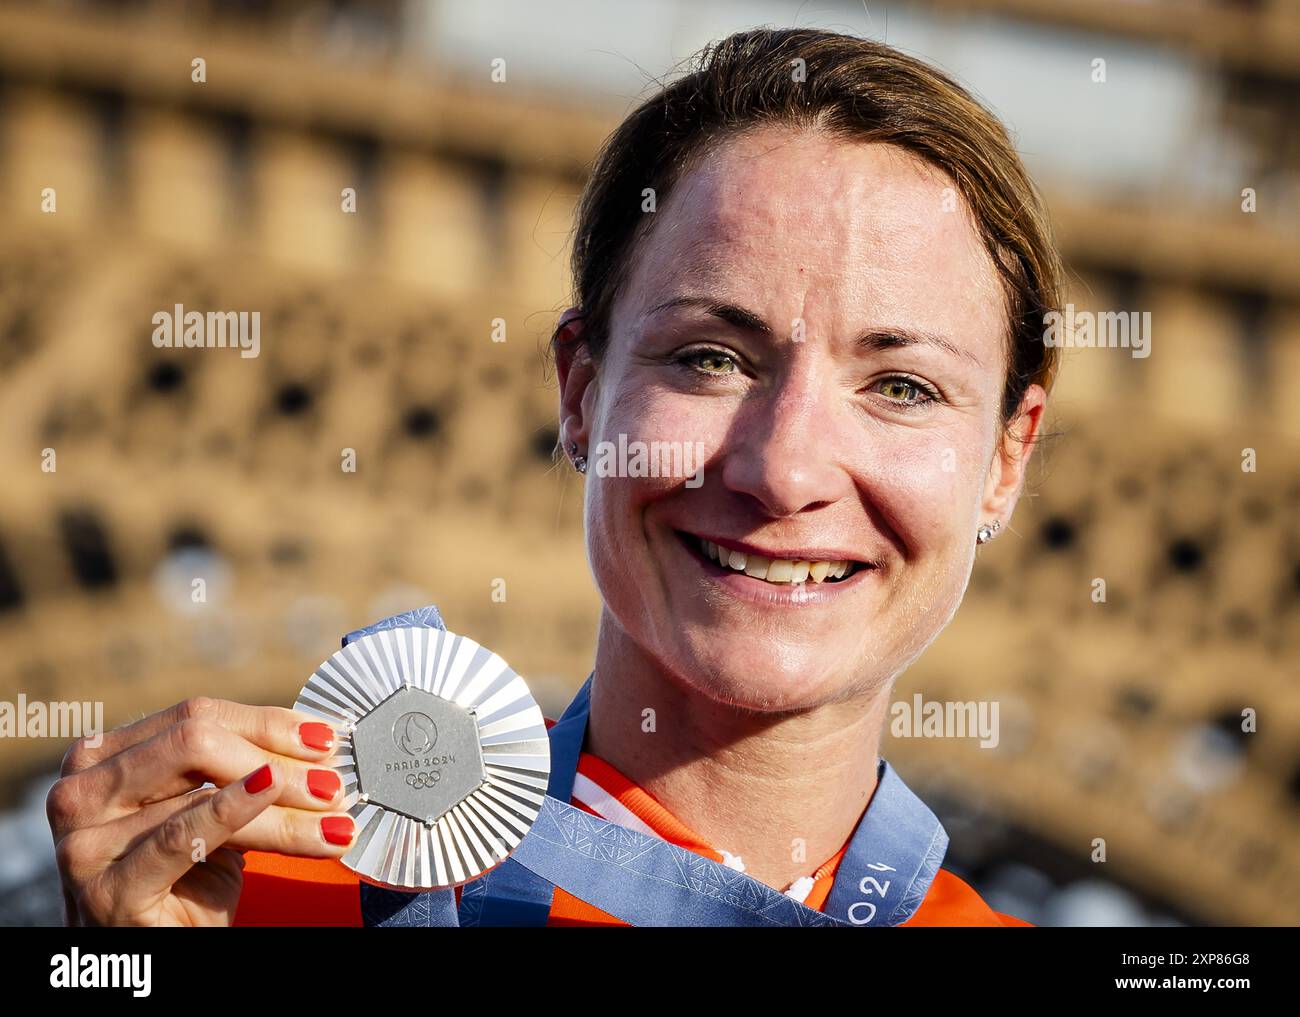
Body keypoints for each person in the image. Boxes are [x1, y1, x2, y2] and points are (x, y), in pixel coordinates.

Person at [46, 26, 1059, 927]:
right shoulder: (254, 893)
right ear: (580, 392)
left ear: (1006, 459)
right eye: (710, 357)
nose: (784, 469)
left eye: (902, 385)